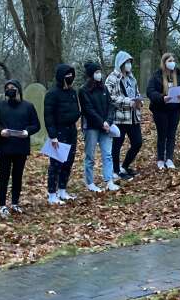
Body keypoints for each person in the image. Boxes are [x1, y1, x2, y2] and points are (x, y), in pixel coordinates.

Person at [0, 79, 40, 217]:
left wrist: (27, 131)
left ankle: (15, 202)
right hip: (4, 147)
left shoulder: (28, 106)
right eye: (7, 87)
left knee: (17, 176)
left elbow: (36, 125)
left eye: (13, 87)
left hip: (21, 147)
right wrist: (1, 131)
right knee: (3, 176)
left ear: (18, 89)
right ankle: (2, 204)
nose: (10, 89)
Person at [45, 64, 81, 205]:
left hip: (71, 130)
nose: (69, 78)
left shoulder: (72, 92)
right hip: (58, 132)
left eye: (71, 75)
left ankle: (62, 190)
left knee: (68, 162)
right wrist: (52, 135)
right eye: (67, 76)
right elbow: (48, 116)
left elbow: (76, 109)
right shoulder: (52, 94)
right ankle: (52, 194)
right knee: (56, 164)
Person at [80, 62, 119, 191]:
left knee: (107, 154)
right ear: (91, 75)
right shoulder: (84, 90)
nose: (99, 74)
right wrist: (102, 123)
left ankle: (109, 180)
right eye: (96, 72)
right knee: (90, 156)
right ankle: (89, 182)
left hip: (106, 127)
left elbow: (110, 106)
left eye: (99, 72)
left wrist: (108, 121)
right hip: (91, 127)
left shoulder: (104, 88)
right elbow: (88, 110)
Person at [105, 51, 143, 181]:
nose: (129, 65)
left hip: (133, 116)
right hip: (120, 117)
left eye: (130, 62)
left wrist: (139, 101)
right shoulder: (112, 78)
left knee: (137, 142)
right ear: (120, 63)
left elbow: (136, 93)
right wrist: (128, 101)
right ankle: (115, 171)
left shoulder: (132, 78)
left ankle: (124, 166)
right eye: (126, 62)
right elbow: (111, 97)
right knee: (117, 145)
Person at [146, 52, 180, 170]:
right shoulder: (156, 75)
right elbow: (150, 91)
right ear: (164, 63)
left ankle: (169, 158)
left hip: (175, 109)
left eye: (173, 60)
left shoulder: (178, 75)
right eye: (169, 61)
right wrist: (162, 98)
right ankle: (160, 159)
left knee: (171, 135)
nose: (172, 63)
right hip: (161, 110)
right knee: (162, 135)